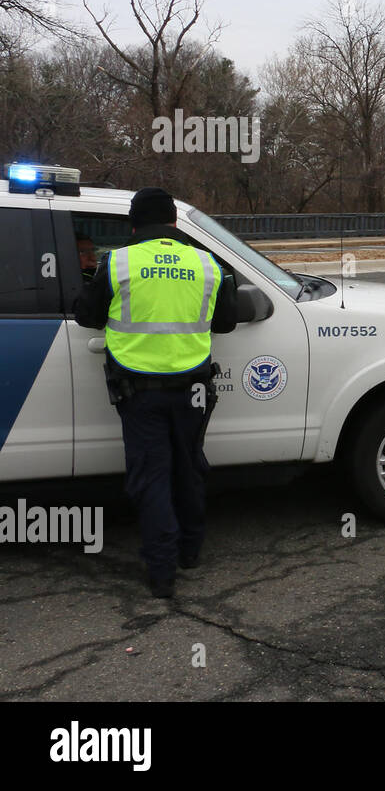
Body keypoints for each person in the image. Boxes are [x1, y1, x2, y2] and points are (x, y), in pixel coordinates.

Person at [74, 188, 237, 598]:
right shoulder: (208, 263)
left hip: (139, 390)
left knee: (152, 477)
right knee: (189, 467)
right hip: (194, 390)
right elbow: (226, 323)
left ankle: (162, 574)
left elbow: (86, 316)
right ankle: (190, 551)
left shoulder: (116, 263)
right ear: (175, 223)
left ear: (133, 224)